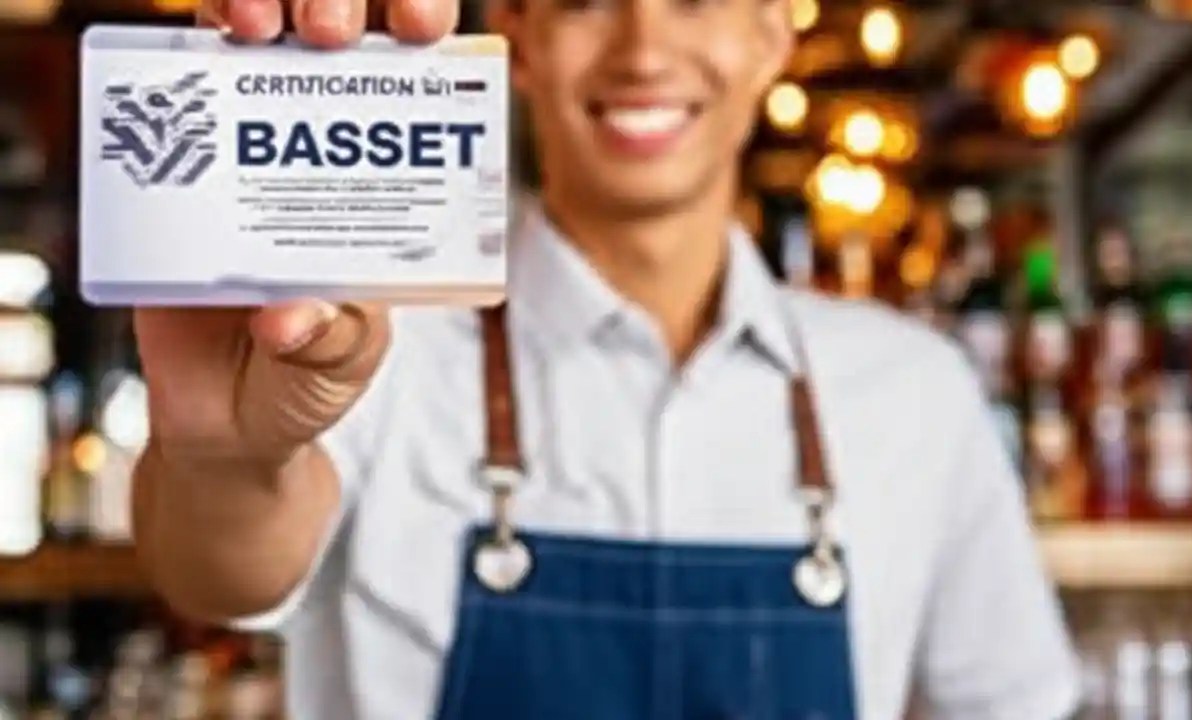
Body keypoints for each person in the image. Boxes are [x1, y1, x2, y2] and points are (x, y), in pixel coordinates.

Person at [131, 0, 1083, 717]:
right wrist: (223, 458)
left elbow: (1010, 703)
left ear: (770, 35)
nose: (643, 50)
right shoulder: (372, 335)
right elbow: (217, 575)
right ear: (517, 35)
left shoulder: (916, 393)